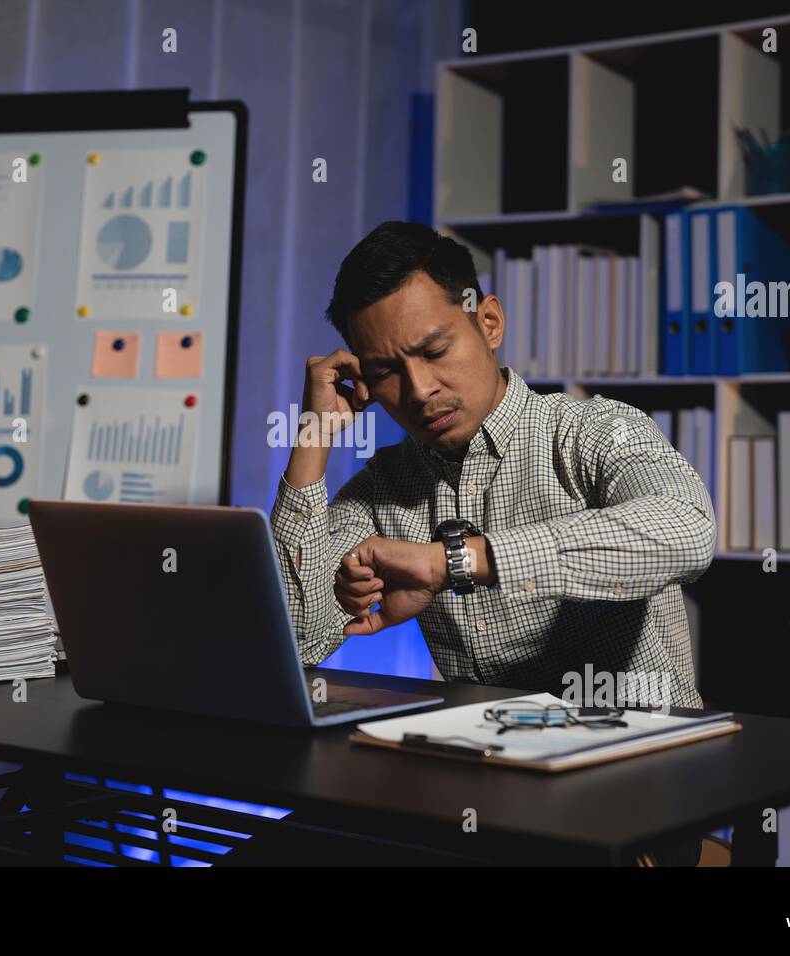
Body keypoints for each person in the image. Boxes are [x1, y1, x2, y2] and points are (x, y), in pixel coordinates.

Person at [270, 220, 716, 714]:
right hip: (489, 760)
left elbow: (687, 530)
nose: (419, 390)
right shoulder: (381, 488)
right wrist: (313, 436)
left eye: (435, 351)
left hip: (642, 756)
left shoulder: (594, 430)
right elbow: (299, 643)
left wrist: (452, 561)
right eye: (387, 372)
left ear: (489, 323)